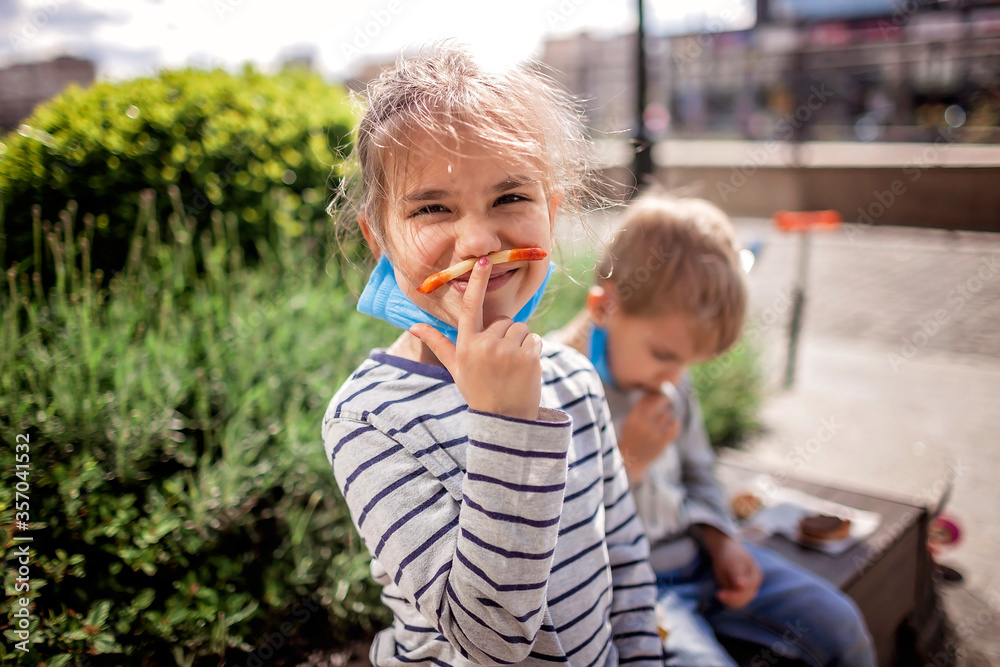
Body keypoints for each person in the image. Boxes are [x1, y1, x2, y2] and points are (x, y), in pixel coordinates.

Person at [321, 46, 664, 666]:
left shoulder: (575, 380)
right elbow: (489, 640)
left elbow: (628, 568)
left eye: (511, 199)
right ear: (379, 239)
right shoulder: (369, 420)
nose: (479, 242)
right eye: (431, 208)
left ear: (551, 214)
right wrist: (509, 426)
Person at [551, 195, 877, 666]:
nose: (674, 376)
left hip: (699, 559)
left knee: (841, 623)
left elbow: (699, 468)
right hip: (630, 588)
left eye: (687, 363)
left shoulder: (669, 375)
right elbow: (553, 531)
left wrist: (722, 540)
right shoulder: (554, 387)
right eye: (665, 355)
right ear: (605, 306)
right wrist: (630, 462)